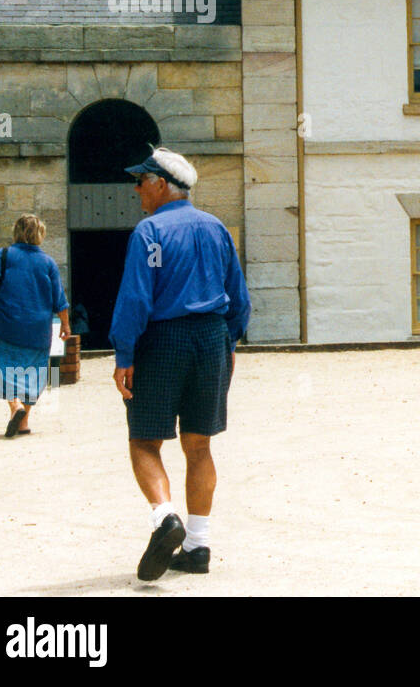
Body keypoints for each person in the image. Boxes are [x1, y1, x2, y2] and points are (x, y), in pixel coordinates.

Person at [110, 146, 250, 581]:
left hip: (162, 340)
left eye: (141, 181)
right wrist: (229, 341)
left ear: (161, 184)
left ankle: (165, 517)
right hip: (211, 338)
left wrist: (124, 355)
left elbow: (135, 298)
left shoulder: (148, 232)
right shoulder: (216, 229)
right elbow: (238, 296)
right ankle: (198, 545)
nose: (136, 190)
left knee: (145, 441)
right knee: (199, 445)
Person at [0, 215, 70, 437]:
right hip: (39, 329)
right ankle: (23, 423)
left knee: (3, 367)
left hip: (8, 325)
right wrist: (66, 325)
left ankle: (15, 406)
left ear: (16, 231)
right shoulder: (48, 262)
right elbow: (59, 298)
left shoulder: (5, 255)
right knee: (35, 372)